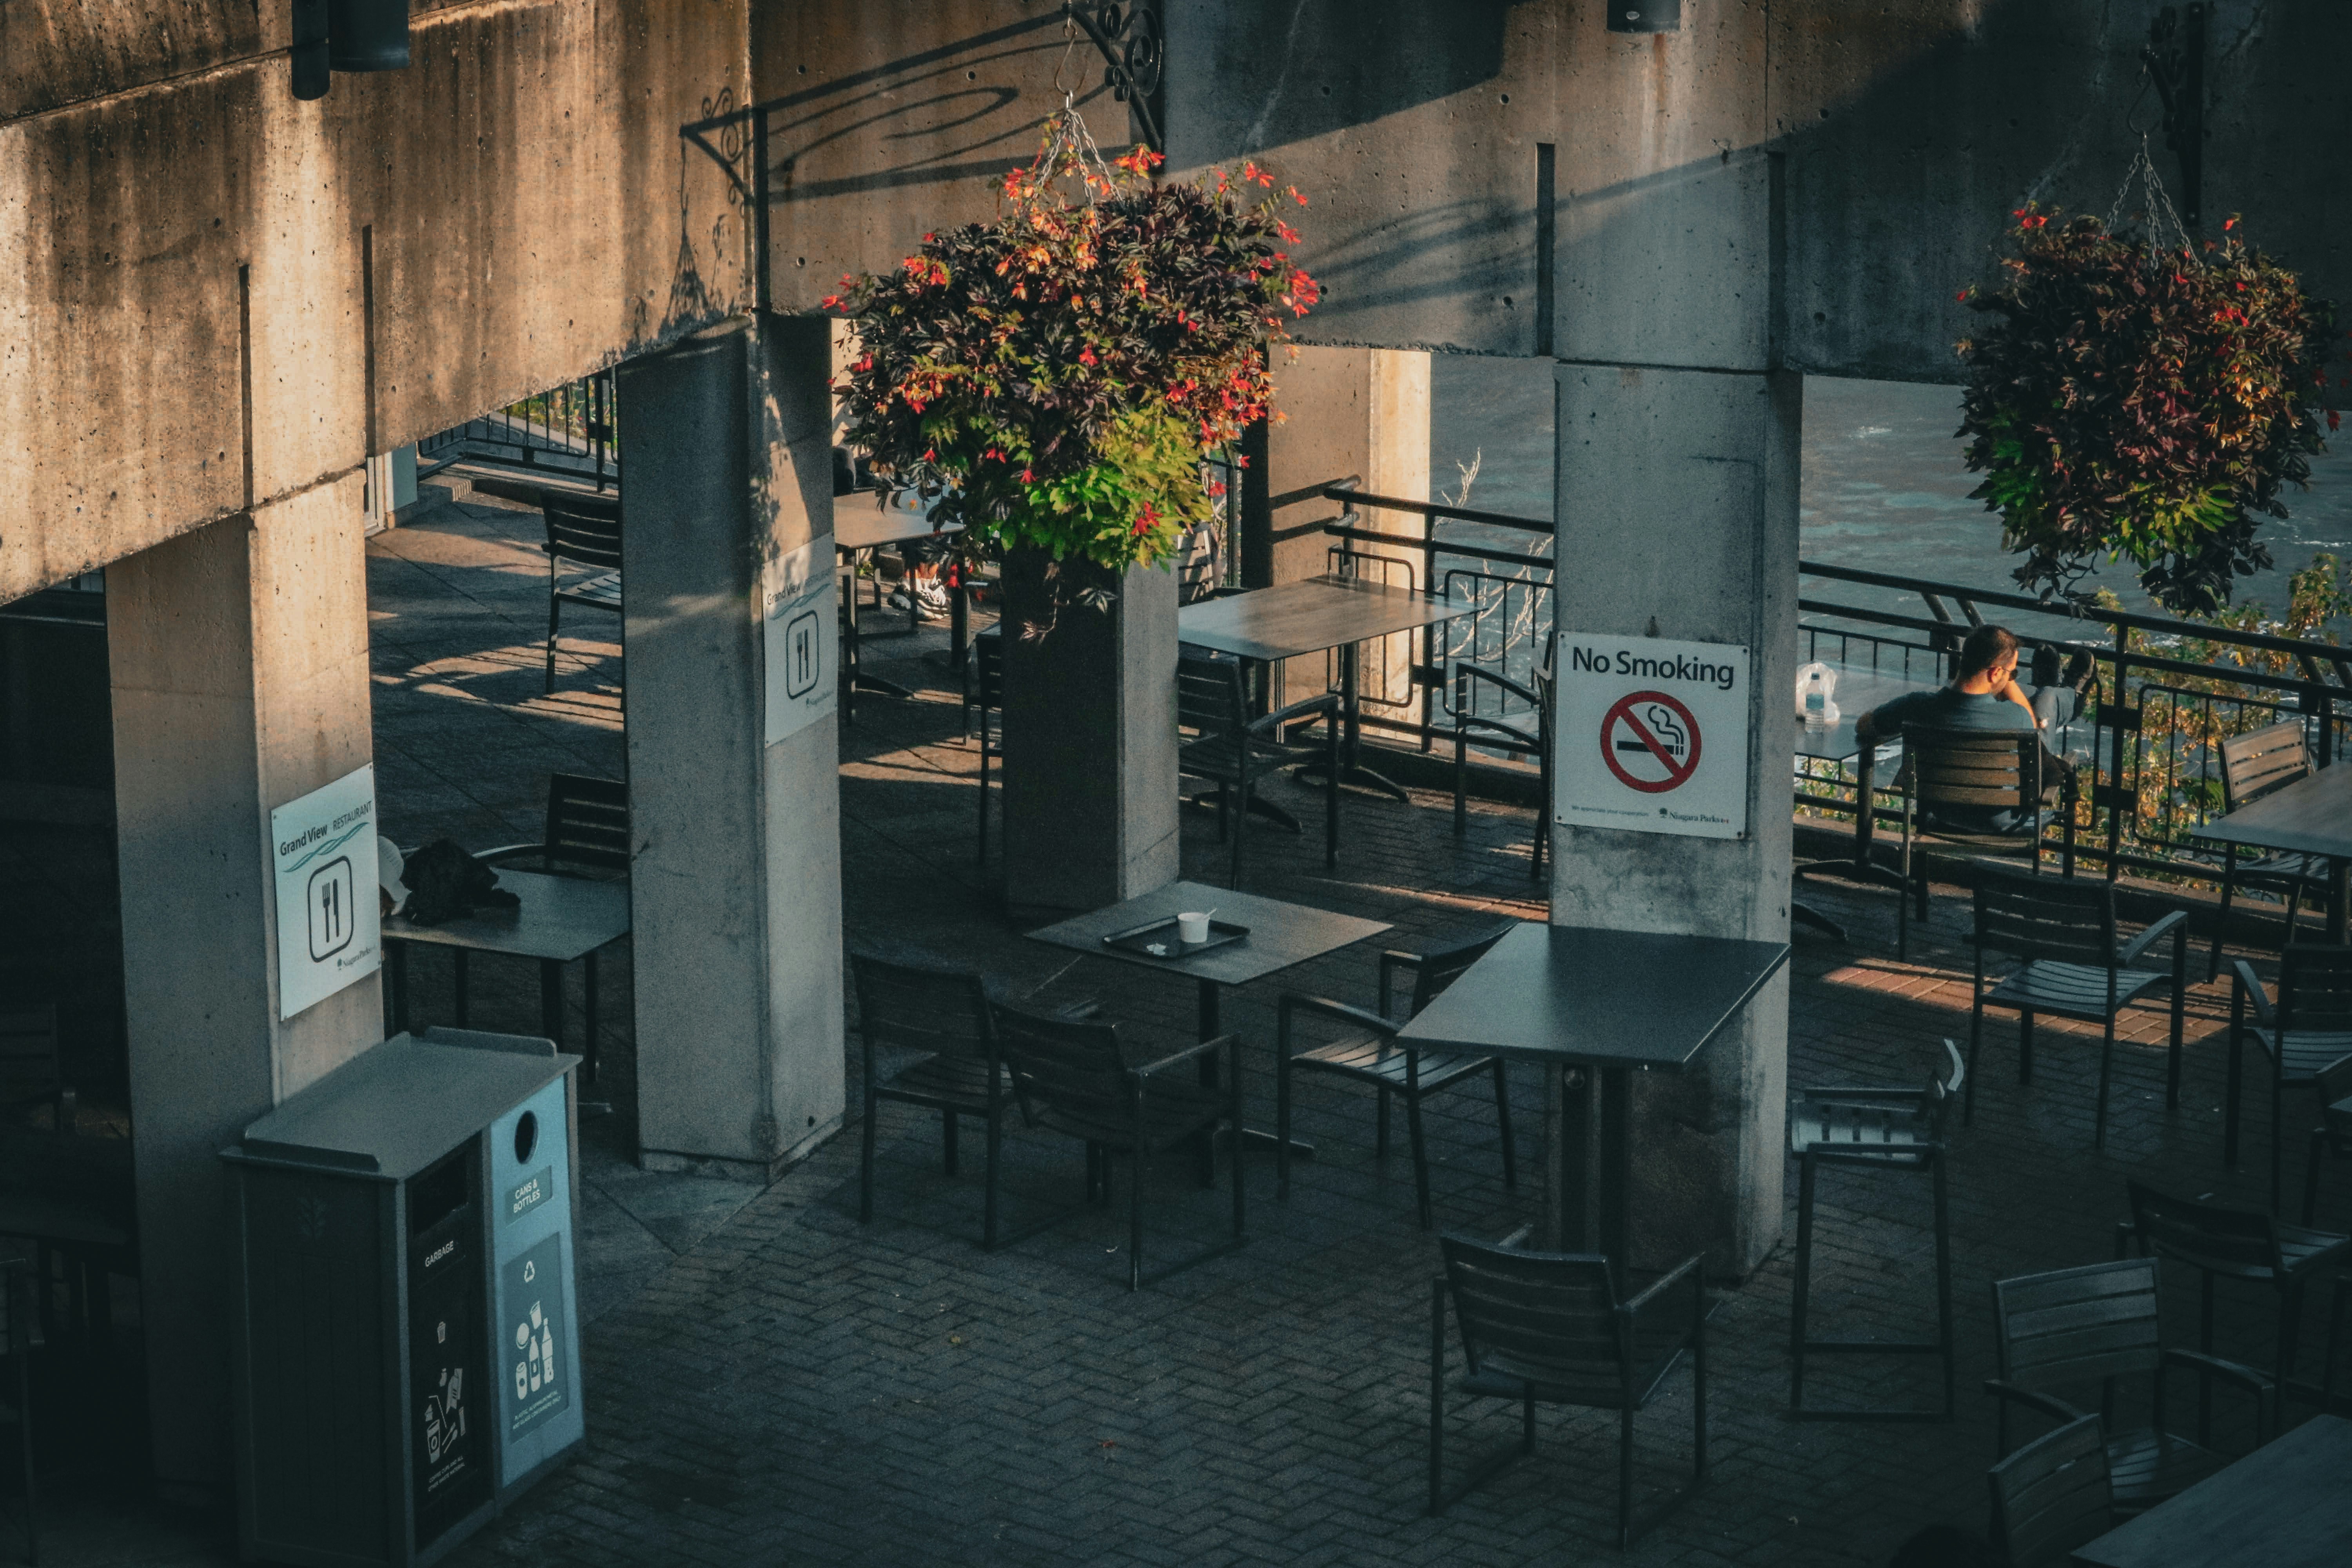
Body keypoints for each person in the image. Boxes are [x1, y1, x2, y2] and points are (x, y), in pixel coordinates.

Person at [1853, 624, 2093, 832]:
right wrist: (2007, 682)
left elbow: (1864, 726)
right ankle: (2070, 696)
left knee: (2046, 698)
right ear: (1996, 672)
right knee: (2046, 703)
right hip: (2005, 824)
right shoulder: (2016, 717)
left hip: (1939, 816)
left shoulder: (1916, 705)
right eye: (2012, 674)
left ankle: (2054, 689)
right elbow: (2033, 730)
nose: (2011, 678)